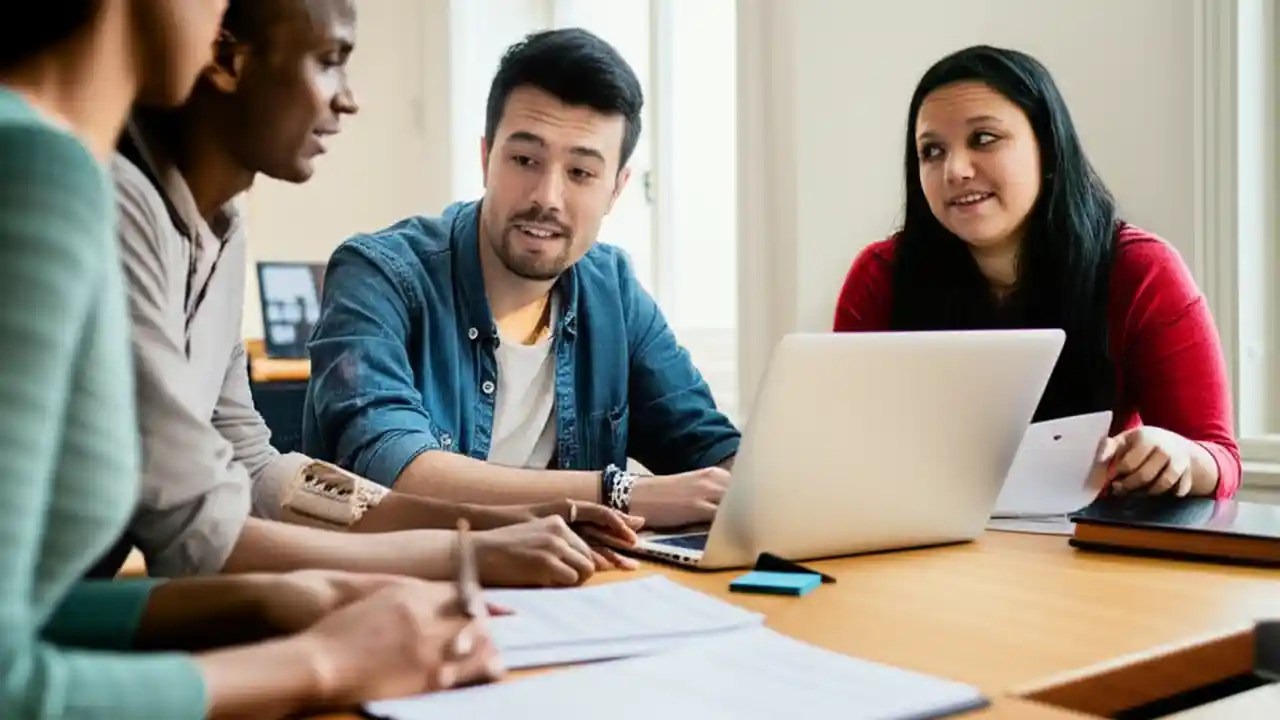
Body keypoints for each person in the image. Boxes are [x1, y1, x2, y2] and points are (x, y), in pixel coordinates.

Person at [0, 2, 501, 719]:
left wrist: (290, 593)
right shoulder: (45, 169)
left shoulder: (217, 225)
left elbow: (29, 612)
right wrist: (323, 662)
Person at [99, 0, 641, 588]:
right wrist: (462, 553)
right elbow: (195, 535)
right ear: (228, 57)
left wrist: (491, 523)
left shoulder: (221, 224)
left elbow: (251, 464)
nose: (348, 100)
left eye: (582, 172)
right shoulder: (119, 206)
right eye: (330, 62)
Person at [304, 28, 740, 529]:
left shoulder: (613, 290)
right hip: (406, 588)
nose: (547, 196)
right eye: (525, 160)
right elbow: (392, 468)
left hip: (569, 591)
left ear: (616, 189)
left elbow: (706, 446)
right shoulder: (378, 275)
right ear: (486, 157)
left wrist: (774, 489)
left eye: (581, 173)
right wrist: (616, 492)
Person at [832, 45, 1240, 500]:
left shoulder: (1140, 270)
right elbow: (844, 451)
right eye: (932, 151)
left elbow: (1219, 457)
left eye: (983, 139)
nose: (956, 170)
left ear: (1047, 147)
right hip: (923, 543)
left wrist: (1181, 456)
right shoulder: (880, 276)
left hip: (1090, 548)